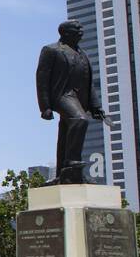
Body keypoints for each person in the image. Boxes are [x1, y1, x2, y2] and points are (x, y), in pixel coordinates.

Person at [36, 20, 105, 184]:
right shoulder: (51, 50)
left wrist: (95, 106)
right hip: (62, 95)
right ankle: (72, 163)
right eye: (77, 28)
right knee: (79, 120)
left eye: (81, 27)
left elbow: (89, 82)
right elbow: (42, 78)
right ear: (64, 32)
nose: (81, 30)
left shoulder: (83, 54)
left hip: (79, 97)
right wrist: (45, 106)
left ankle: (65, 173)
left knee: (66, 131)